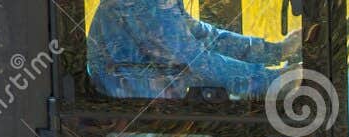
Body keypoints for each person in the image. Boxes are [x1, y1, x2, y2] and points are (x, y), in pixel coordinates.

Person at [88, 0, 301, 99]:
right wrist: (271, 81)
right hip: (137, 128)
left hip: (154, 112)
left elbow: (205, 36)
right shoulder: (146, 3)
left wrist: (276, 51)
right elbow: (193, 62)